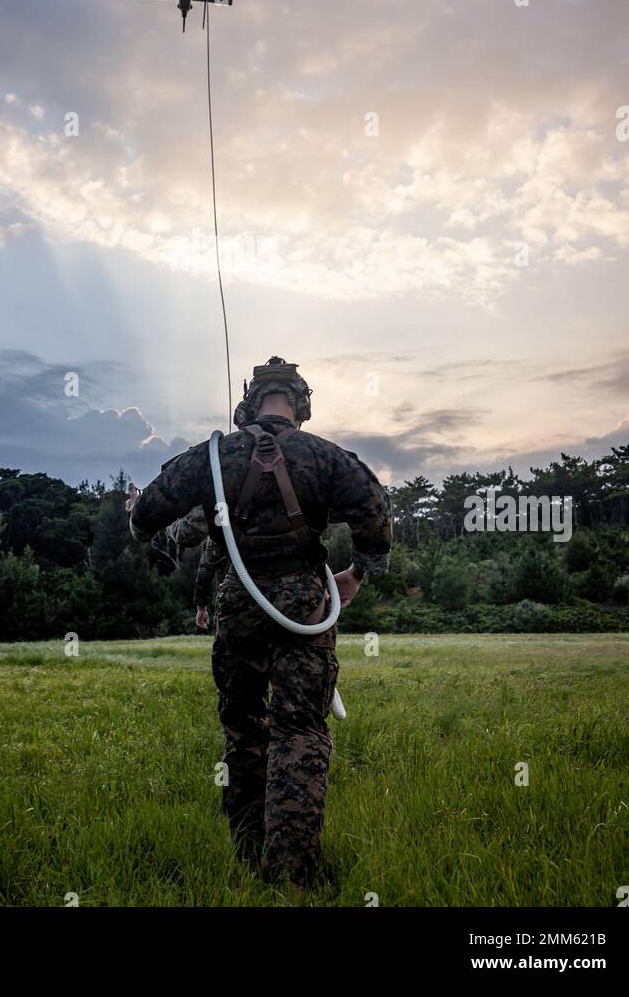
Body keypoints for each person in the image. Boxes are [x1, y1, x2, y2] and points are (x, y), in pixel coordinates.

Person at [127, 356, 391, 889]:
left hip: (240, 611)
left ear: (248, 402)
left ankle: (248, 859)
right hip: (307, 612)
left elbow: (144, 521)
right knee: (300, 732)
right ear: (301, 405)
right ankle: (289, 879)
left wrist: (138, 512)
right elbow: (376, 516)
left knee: (244, 731)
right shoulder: (325, 457)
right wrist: (356, 575)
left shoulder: (212, 457)